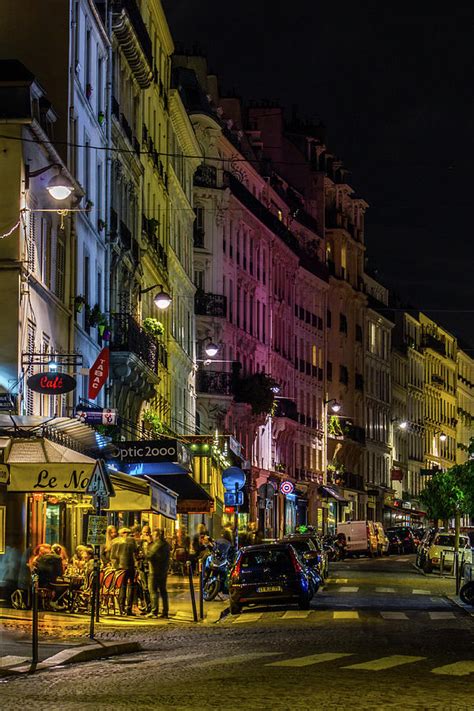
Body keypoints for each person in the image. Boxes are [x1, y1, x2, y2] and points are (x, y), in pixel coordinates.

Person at [110, 527, 137, 616]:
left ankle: (123, 608)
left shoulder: (114, 542)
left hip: (120, 567)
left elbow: (112, 556)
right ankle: (127, 608)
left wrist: (115, 566)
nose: (127, 534)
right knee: (129, 587)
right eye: (126, 533)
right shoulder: (131, 541)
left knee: (124, 587)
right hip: (129, 566)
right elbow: (136, 551)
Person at [147, 528, 170, 619]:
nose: (152, 536)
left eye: (153, 534)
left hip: (155, 571)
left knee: (153, 591)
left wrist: (147, 546)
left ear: (157, 536)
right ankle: (165, 611)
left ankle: (154, 611)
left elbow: (149, 555)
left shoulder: (157, 544)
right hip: (163, 570)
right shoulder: (166, 544)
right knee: (163, 591)